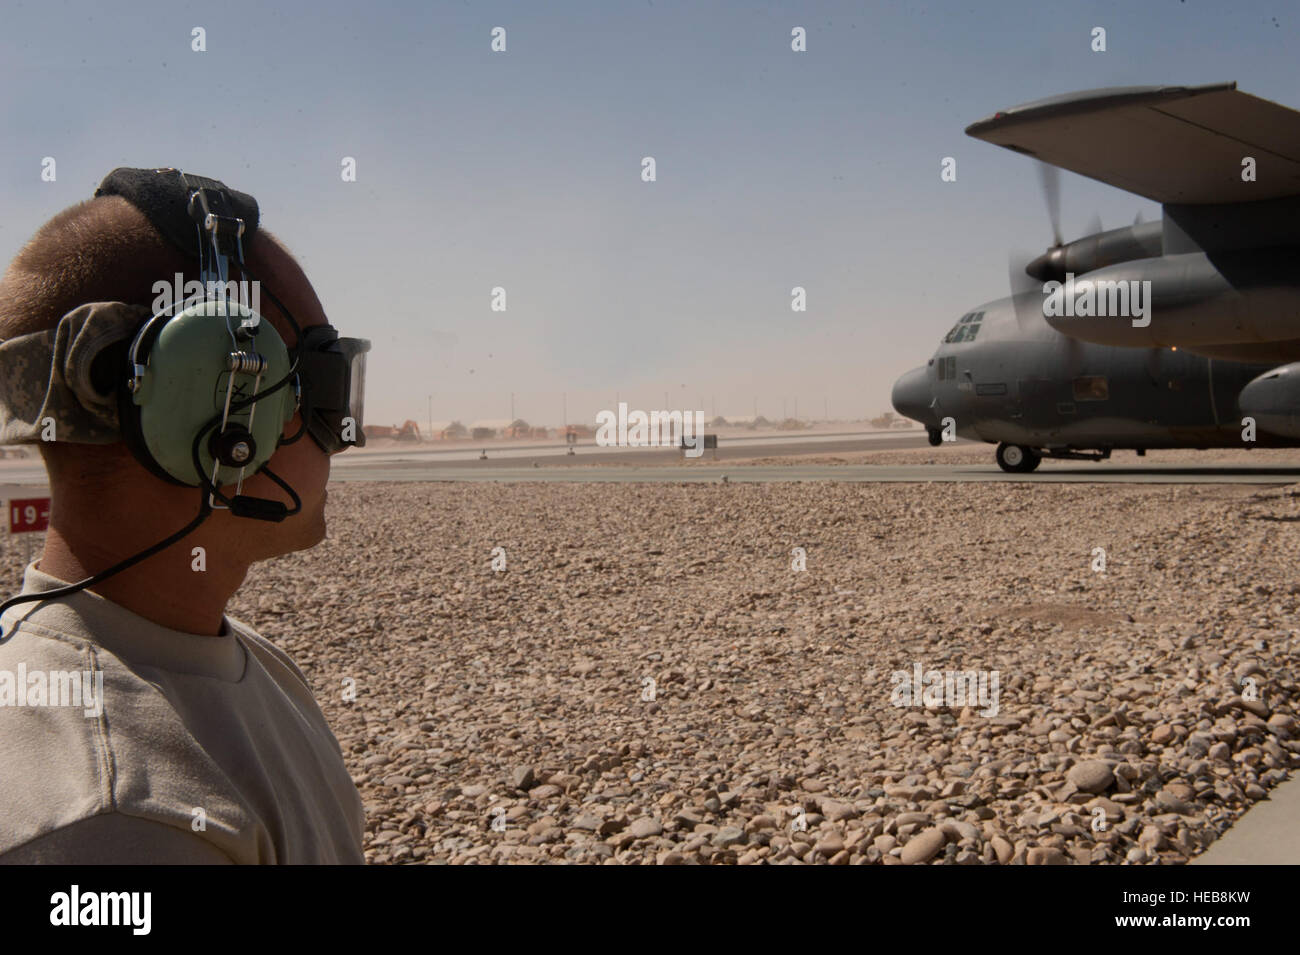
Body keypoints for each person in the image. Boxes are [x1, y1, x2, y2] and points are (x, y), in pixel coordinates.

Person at [0, 172, 366, 863]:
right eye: (321, 383)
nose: (339, 430)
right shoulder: (115, 821)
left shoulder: (248, 660)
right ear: (215, 409)